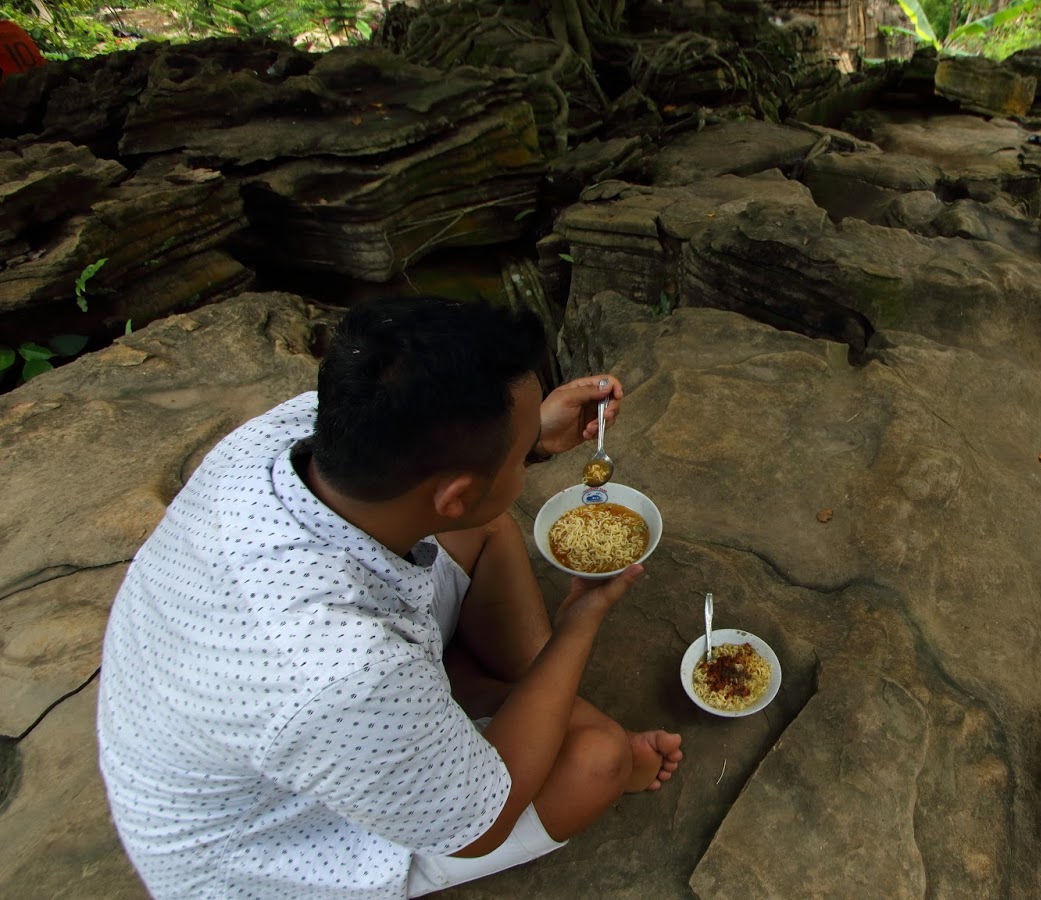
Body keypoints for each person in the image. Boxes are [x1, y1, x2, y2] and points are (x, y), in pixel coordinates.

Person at [97, 295, 683, 898]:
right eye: (522, 451)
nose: (530, 453)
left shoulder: (293, 432)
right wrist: (580, 619)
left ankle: (499, 701)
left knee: (485, 528)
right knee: (600, 758)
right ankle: (508, 705)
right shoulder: (345, 673)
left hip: (283, 711)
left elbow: (452, 492)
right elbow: (479, 829)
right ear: (453, 492)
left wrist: (524, 437)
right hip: (273, 846)